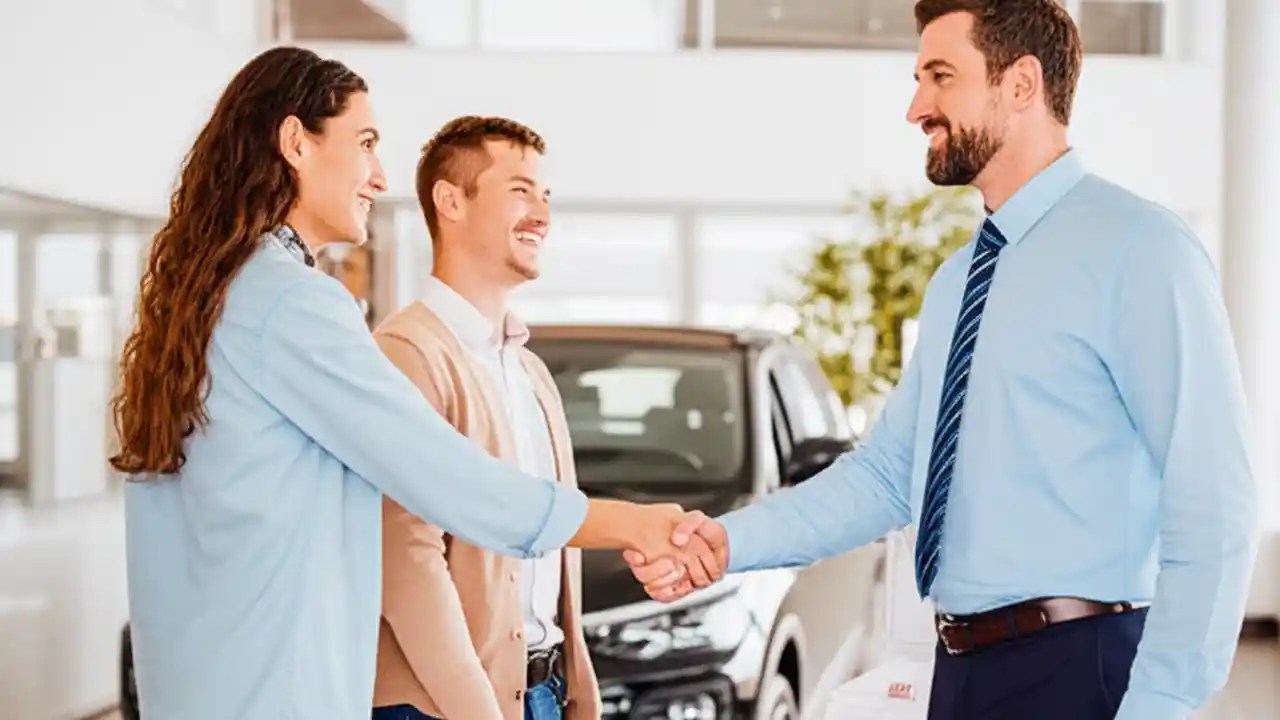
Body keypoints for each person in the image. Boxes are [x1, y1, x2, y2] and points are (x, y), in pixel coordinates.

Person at [633, 2, 1258, 719]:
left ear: (1021, 84)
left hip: (1082, 667)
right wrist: (723, 541)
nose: (916, 109)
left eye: (941, 77)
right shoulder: (959, 280)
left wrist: (1161, 703)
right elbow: (888, 476)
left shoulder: (1142, 249)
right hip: (961, 672)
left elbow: (1213, 498)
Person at [109, 47, 699, 719]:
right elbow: (447, 478)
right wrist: (628, 523)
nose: (380, 176)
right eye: (365, 143)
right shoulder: (293, 303)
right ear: (296, 143)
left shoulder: (212, 298)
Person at [368, 116, 599, 720]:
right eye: (520, 192)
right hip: (438, 708)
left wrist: (580, 685)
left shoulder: (530, 373)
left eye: (545, 196)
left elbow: (554, 542)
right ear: (450, 201)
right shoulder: (405, 354)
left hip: (542, 695)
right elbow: (406, 557)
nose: (542, 215)